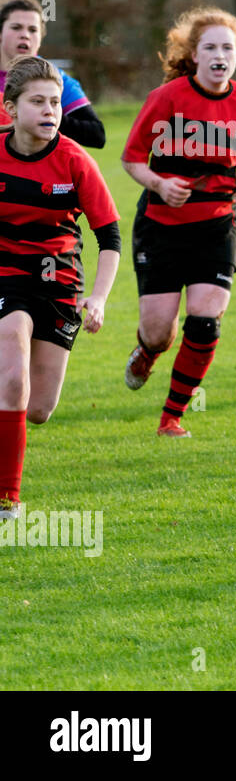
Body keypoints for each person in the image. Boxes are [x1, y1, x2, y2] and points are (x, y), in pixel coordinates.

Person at [120, 7, 236, 437]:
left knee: (206, 319)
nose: (219, 55)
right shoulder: (168, 98)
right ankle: (148, 352)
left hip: (217, 224)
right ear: (193, 55)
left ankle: (172, 416)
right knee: (158, 331)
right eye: (209, 47)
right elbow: (132, 159)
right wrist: (158, 183)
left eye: (227, 47)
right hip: (161, 226)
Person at [0, 57, 120, 517]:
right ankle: (7, 498)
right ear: (11, 108)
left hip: (60, 283)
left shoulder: (73, 160)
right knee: (12, 367)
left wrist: (100, 298)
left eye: (55, 102)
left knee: (38, 408)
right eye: (38, 102)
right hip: (7, 275)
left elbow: (108, 235)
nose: (50, 110)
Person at [0, 0, 107, 148]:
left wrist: (42, 114)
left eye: (33, 30)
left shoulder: (55, 79)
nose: (25, 35)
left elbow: (96, 135)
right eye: (16, 28)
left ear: (41, 37)